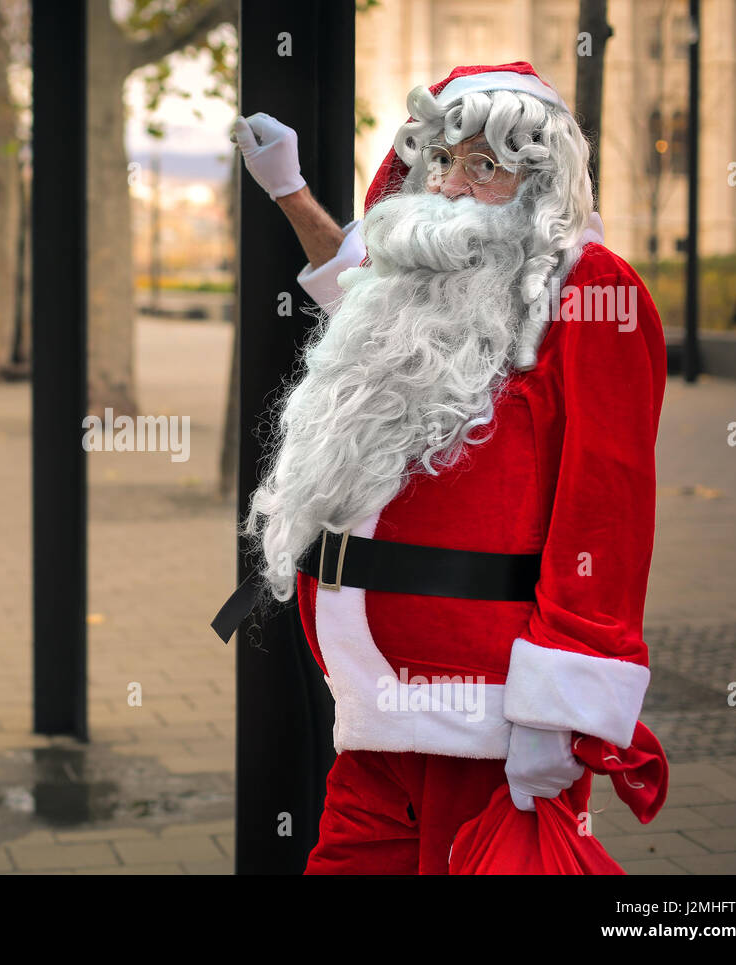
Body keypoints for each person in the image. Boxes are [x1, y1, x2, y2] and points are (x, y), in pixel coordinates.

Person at [227, 62, 666, 874]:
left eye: (485, 166)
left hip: (491, 724)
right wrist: (289, 191)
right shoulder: (420, 286)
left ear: (541, 181)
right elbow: (354, 288)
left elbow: (606, 514)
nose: (453, 187)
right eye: (443, 161)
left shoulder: (590, 288)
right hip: (374, 721)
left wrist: (559, 713)